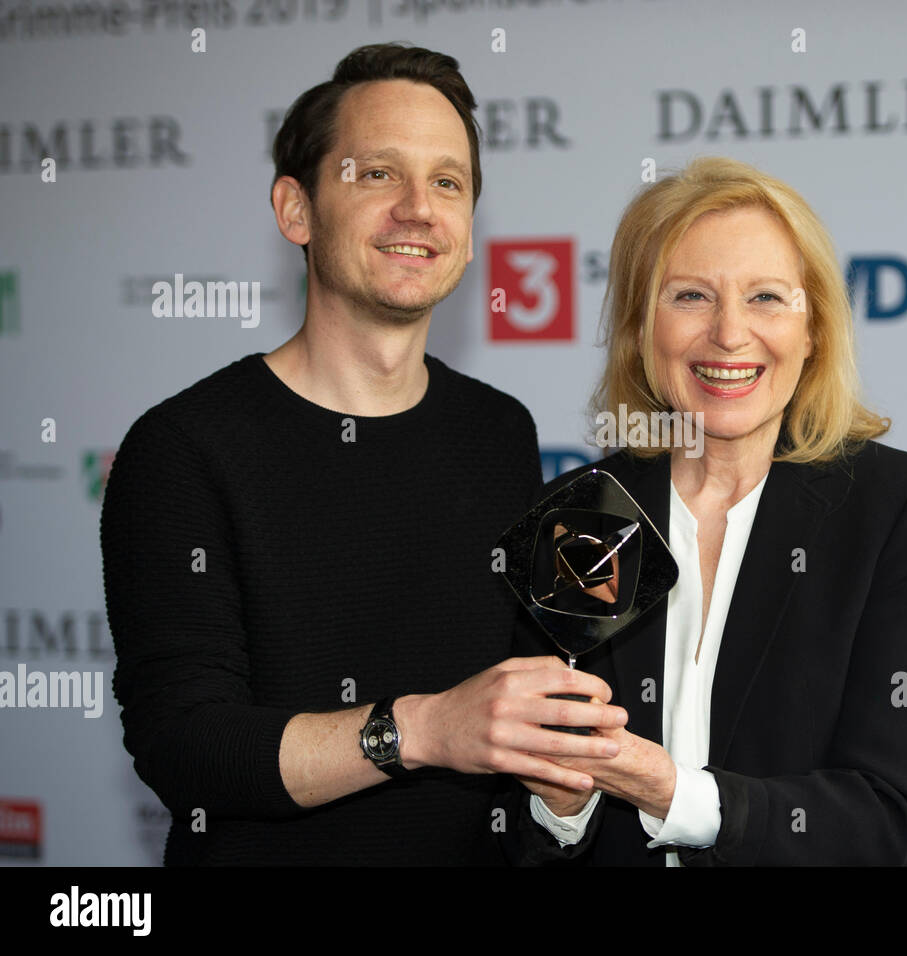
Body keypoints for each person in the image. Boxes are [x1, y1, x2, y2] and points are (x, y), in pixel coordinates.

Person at [100, 42, 625, 866]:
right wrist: (420, 729)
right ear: (296, 210)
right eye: (376, 173)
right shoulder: (183, 449)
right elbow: (188, 748)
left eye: (447, 182)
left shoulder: (499, 432)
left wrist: (564, 780)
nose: (419, 207)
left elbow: (519, 719)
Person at [505, 157, 907, 865]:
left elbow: (886, 821)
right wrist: (557, 806)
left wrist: (674, 792)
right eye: (690, 296)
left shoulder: (898, 510)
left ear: (813, 329)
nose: (729, 334)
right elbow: (514, 830)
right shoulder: (581, 514)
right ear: (638, 326)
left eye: (766, 298)